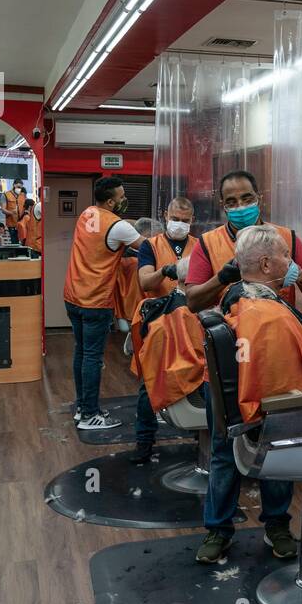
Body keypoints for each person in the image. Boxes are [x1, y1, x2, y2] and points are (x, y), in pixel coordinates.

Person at [197, 225, 302, 563]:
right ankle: (234, 528)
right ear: (267, 265)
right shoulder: (266, 315)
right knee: (278, 437)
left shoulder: (236, 296)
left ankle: (250, 528)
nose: (289, 262)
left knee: (223, 456)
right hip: (253, 397)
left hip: (226, 390)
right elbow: (284, 381)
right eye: (285, 257)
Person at [63, 176, 140, 430]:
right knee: (93, 358)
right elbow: (149, 248)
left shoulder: (87, 214)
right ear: (110, 201)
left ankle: (82, 408)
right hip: (95, 301)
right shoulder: (119, 227)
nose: (123, 199)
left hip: (73, 297)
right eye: (120, 196)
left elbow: (105, 237)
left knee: (81, 352)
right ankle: (90, 416)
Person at [184, 170, 302, 312]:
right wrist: (221, 279)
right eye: (232, 202)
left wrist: (300, 275)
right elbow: (192, 302)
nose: (241, 206)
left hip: (279, 326)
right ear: (222, 205)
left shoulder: (287, 238)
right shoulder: (207, 244)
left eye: (247, 199)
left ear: (259, 198)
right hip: (232, 330)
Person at [129, 198, 196, 463]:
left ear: (192, 221)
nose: (180, 224)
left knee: (196, 380)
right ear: (165, 215)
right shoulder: (150, 246)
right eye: (175, 218)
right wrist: (165, 271)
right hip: (159, 322)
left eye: (185, 220)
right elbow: (145, 281)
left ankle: (198, 438)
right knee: (150, 384)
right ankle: (144, 441)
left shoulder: (199, 246)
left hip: (191, 321)